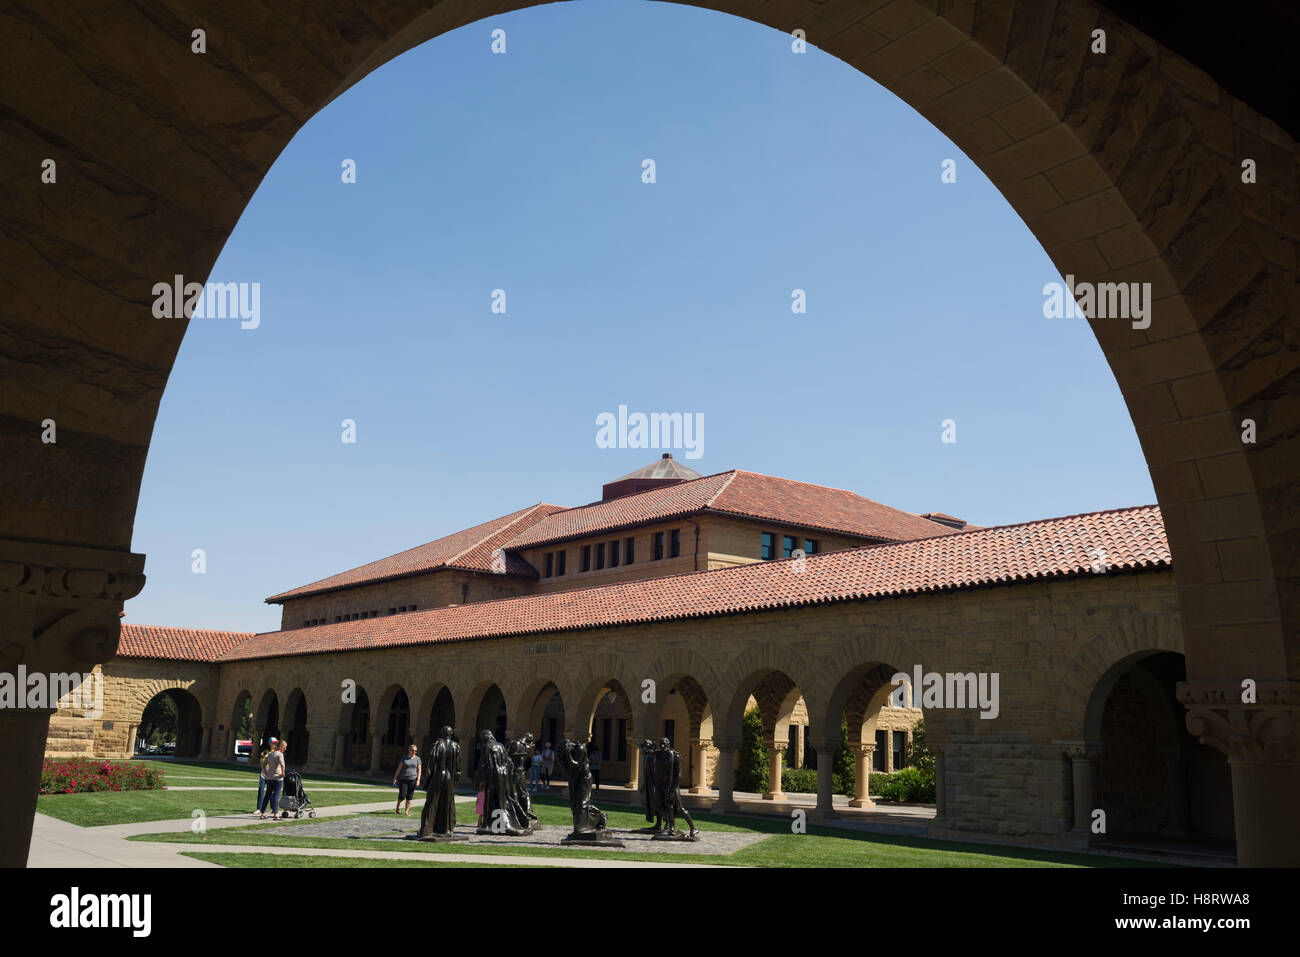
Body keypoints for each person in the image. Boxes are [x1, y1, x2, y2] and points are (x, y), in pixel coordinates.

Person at [258, 739, 287, 819]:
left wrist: (265, 773)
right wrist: (283, 774)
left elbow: (263, 764)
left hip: (270, 778)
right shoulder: (280, 754)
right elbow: (282, 765)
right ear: (280, 747)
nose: (285, 749)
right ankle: (276, 814)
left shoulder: (270, 754)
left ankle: (262, 813)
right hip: (277, 778)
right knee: (276, 796)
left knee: (267, 795)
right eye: (284, 747)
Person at [392, 743, 422, 816]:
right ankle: (398, 804)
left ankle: (406, 811)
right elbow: (399, 769)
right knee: (402, 795)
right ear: (409, 750)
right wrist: (395, 778)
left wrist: (418, 780)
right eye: (412, 750)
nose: (414, 752)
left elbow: (419, 770)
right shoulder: (404, 758)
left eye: (415, 751)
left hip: (413, 780)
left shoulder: (418, 759)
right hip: (403, 779)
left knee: (409, 796)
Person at [253, 737, 277, 814]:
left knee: (271, 792)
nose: (274, 744)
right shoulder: (266, 752)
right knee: (261, 791)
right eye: (272, 743)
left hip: (271, 775)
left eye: (275, 743)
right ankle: (259, 809)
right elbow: (262, 762)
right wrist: (262, 757)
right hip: (263, 773)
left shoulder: (276, 752)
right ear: (270, 743)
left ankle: (273, 809)